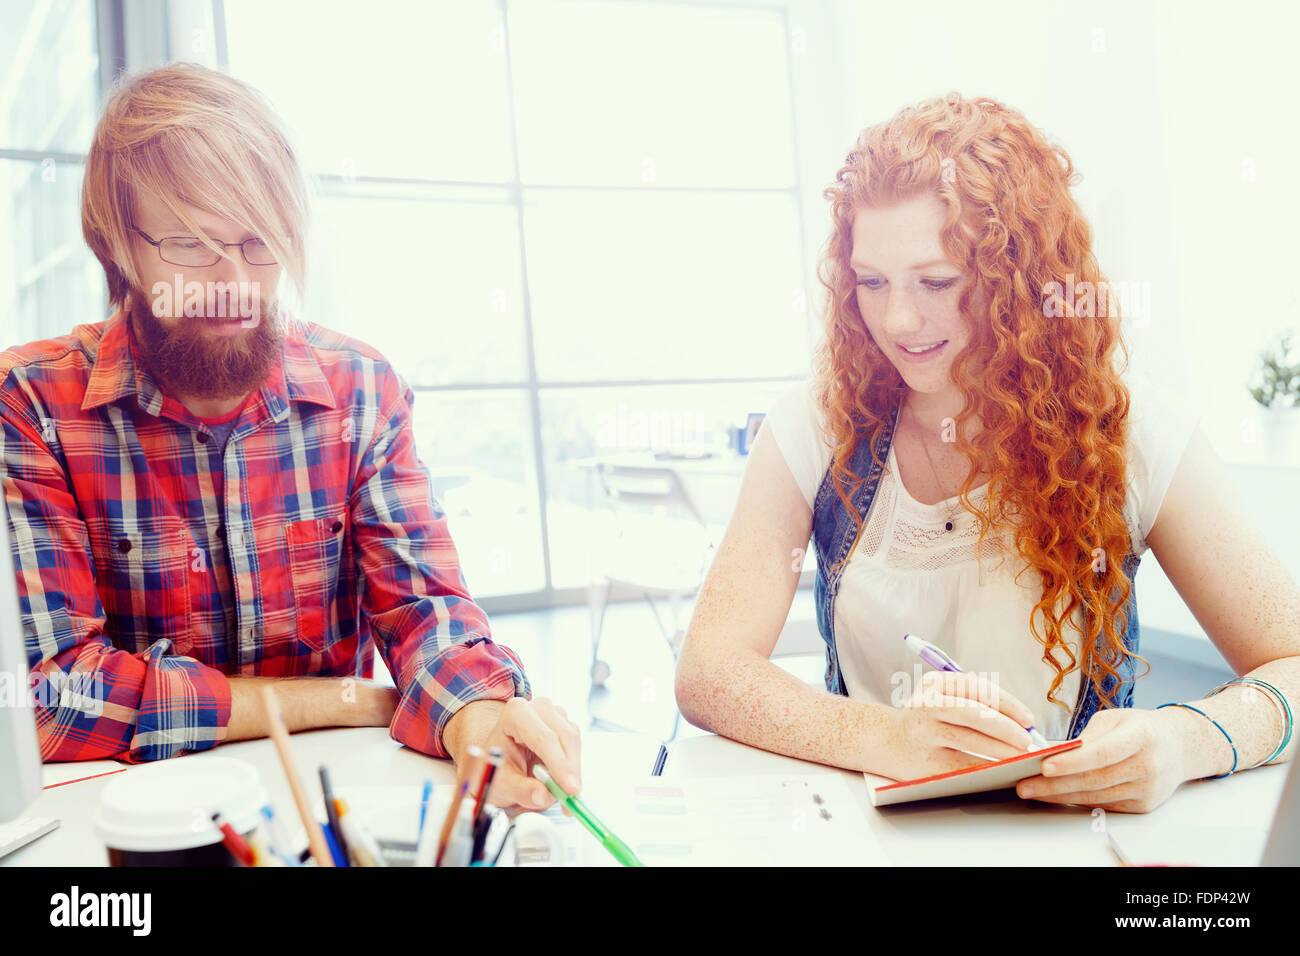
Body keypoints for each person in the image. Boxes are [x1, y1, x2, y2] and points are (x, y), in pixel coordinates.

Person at [675, 93, 1298, 813]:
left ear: (1021, 281)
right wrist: (889, 738)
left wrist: (1191, 740)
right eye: (871, 283)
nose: (898, 320)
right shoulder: (817, 427)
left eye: (937, 282)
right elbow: (709, 669)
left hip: (1071, 843)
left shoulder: (1131, 431)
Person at [0, 63, 578, 811]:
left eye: (259, 242)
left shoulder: (360, 390)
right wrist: (351, 700)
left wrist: (480, 715)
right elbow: (50, 696)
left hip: (334, 809)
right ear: (118, 248)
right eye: (190, 244)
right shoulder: (32, 403)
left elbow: (425, 616)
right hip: (141, 824)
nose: (234, 280)